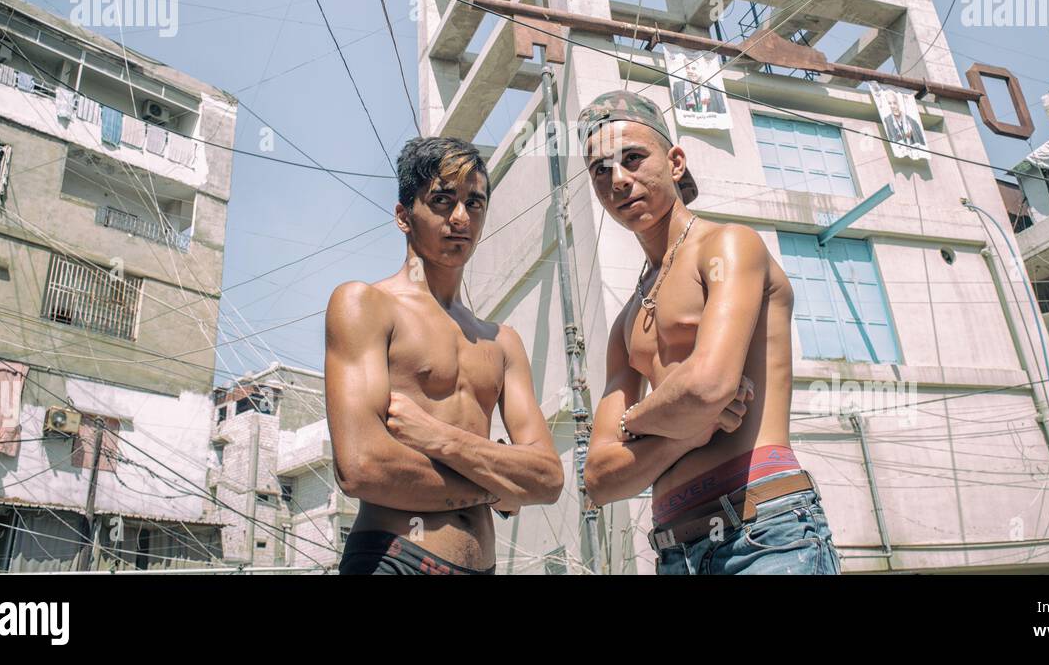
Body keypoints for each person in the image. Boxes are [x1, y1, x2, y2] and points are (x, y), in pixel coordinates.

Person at [579, 90, 840, 575]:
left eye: (632, 158)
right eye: (600, 170)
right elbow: (598, 480)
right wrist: (684, 434)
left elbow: (707, 387)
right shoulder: (626, 322)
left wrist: (631, 427)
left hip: (763, 529)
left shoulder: (728, 245)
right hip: (674, 550)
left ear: (675, 162)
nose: (618, 180)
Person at [325, 136, 563, 574]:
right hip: (395, 559)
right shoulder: (366, 305)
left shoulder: (501, 342)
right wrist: (497, 487)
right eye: (441, 200)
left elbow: (548, 477)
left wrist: (442, 440)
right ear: (403, 215)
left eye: (474, 203)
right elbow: (361, 467)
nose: (460, 217)